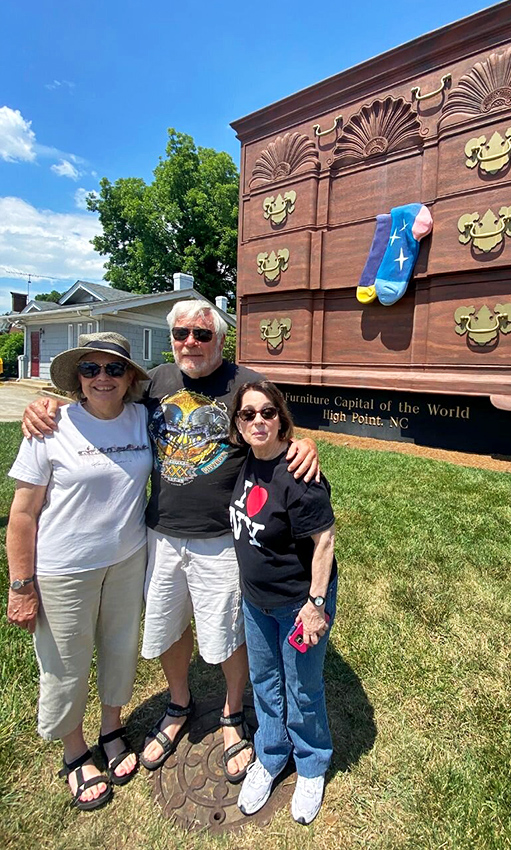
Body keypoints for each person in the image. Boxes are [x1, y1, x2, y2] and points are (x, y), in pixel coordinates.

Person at [22, 299, 319, 784]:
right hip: (159, 534)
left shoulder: (246, 383)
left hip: (223, 535)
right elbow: (101, 396)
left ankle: (230, 714)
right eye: (181, 334)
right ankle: (179, 703)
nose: (190, 343)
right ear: (172, 338)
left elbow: (280, 428)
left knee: (225, 632)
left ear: (221, 340)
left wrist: (306, 444)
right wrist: (49, 404)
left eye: (202, 335)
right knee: (167, 625)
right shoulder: (154, 381)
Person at [7, 333, 151, 811]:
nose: (102, 378)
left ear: (130, 378)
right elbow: (23, 514)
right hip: (63, 569)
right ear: (78, 379)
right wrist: (22, 585)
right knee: (65, 664)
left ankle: (112, 727)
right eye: (90, 370)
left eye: (113, 369)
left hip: (128, 559)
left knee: (120, 649)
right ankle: (75, 753)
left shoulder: (142, 418)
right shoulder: (51, 426)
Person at [228, 380, 337, 825]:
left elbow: (325, 540)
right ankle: (271, 756)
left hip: (298, 602)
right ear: (237, 423)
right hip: (257, 601)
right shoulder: (243, 461)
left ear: (281, 419)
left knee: (303, 688)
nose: (258, 421)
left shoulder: (300, 474)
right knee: (264, 681)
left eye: (268, 413)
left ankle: (312, 764)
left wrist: (315, 604)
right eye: (248, 413)